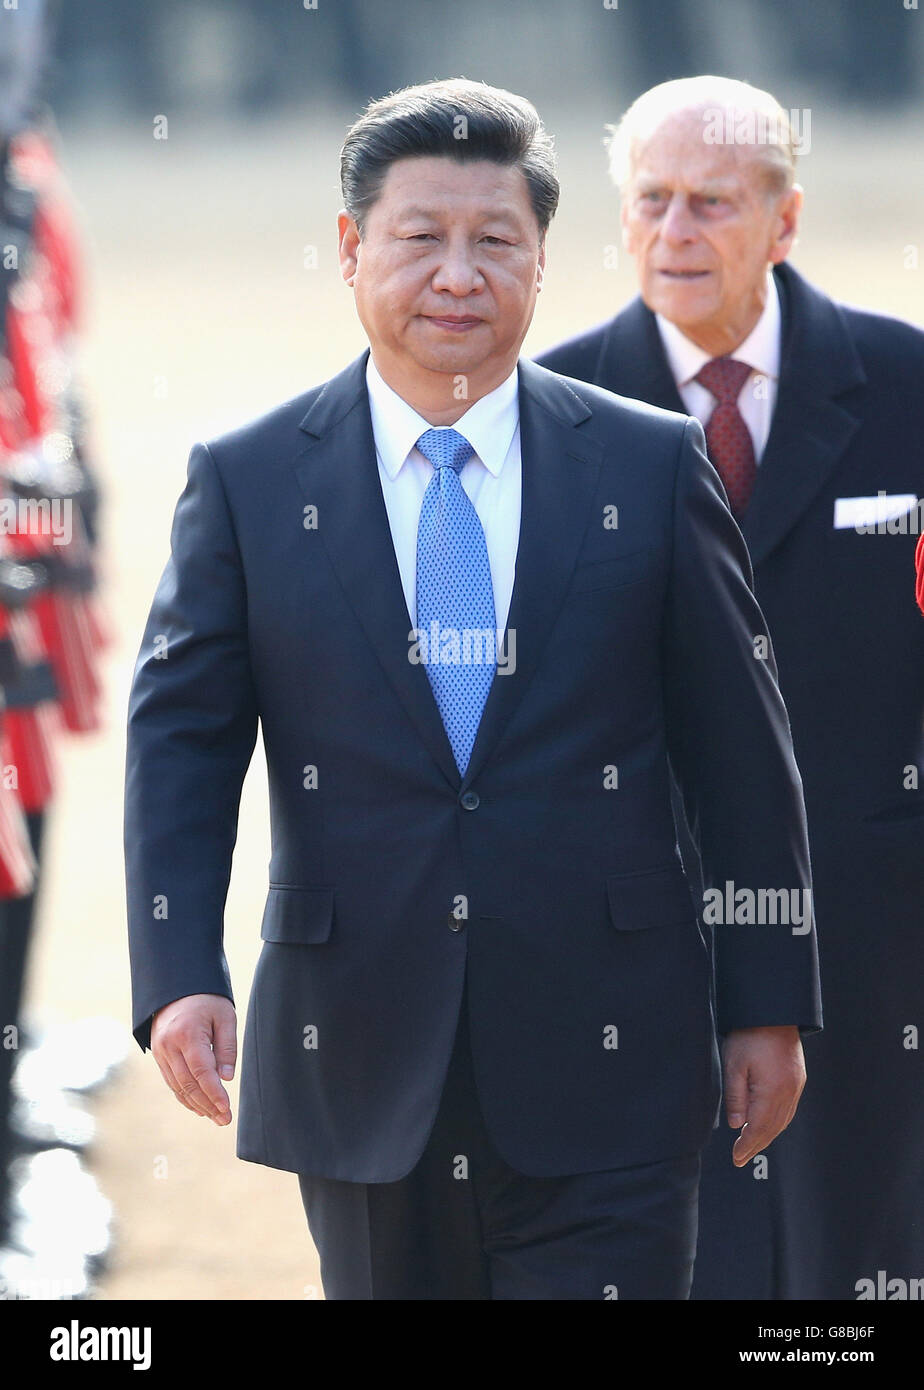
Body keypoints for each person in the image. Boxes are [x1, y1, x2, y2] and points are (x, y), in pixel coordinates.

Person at [125, 78, 820, 1301]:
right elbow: (180, 736)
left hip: (615, 1058)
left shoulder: (647, 464)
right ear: (351, 251)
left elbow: (741, 752)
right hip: (362, 1055)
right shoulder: (245, 482)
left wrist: (768, 998)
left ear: (543, 260)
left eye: (496, 241)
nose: (459, 274)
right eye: (420, 238)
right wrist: (179, 967)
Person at [537, 75, 924, 1301]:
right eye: (649, 201)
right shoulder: (550, 413)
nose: (674, 232)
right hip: (645, 945)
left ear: (786, 219)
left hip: (885, 941)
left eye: (711, 202)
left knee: (866, 1270)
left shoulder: (910, 386)